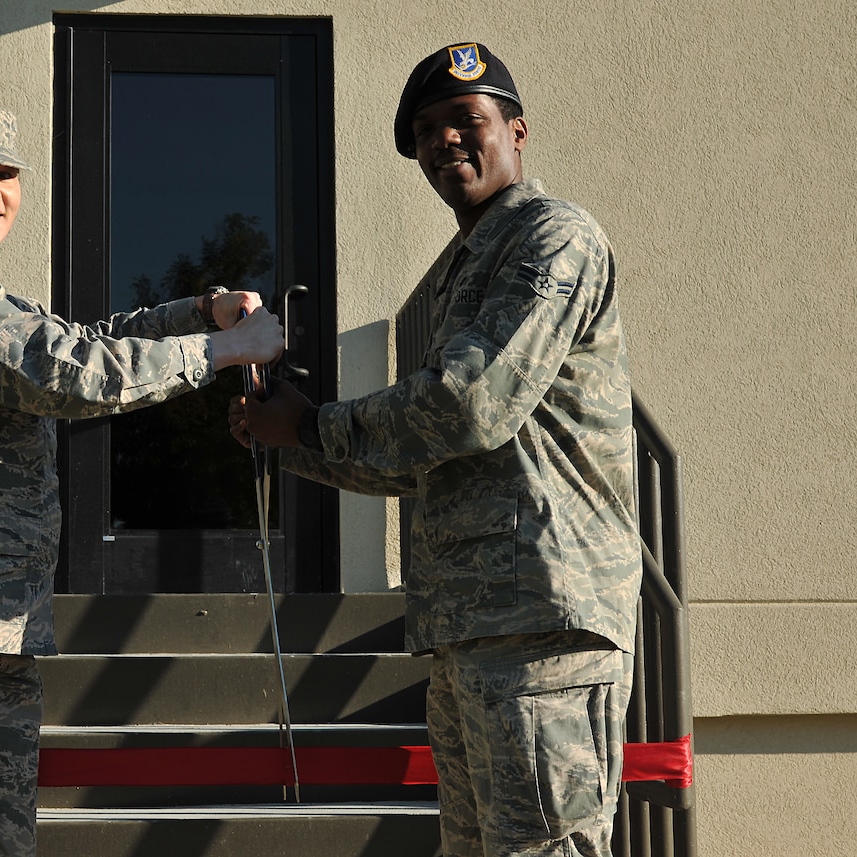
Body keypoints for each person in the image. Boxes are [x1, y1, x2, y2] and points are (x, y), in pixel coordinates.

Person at [0, 101, 284, 857]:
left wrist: (197, 309)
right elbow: (67, 372)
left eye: (2, 174)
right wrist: (222, 349)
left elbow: (86, 339)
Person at [230, 44, 642, 857]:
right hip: (474, 627)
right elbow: (429, 458)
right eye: (427, 131)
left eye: (466, 120)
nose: (446, 140)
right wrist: (286, 435)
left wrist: (311, 427)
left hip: (544, 621)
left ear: (517, 131)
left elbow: (469, 403)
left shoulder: (552, 236)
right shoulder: (468, 267)